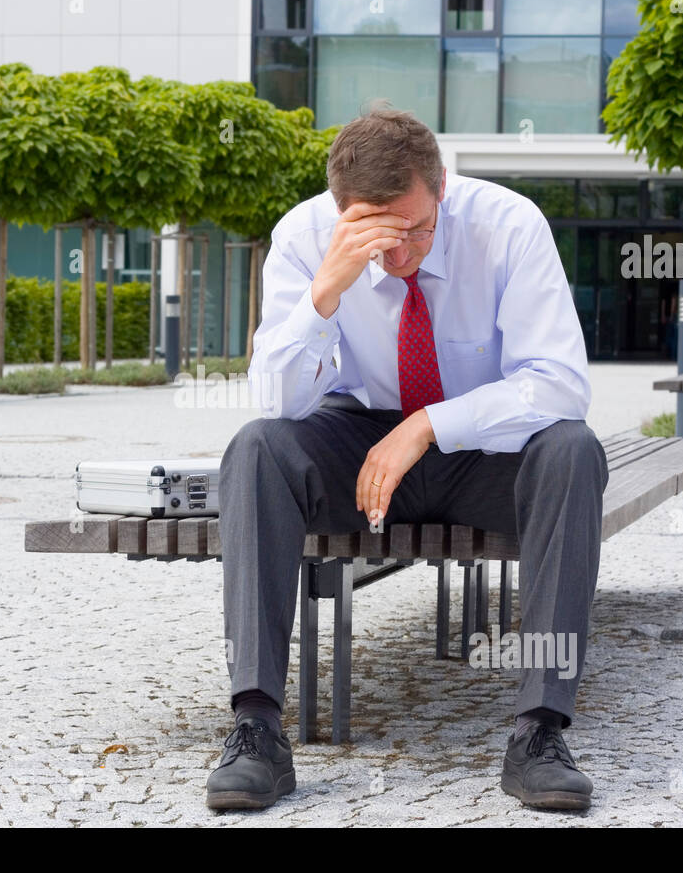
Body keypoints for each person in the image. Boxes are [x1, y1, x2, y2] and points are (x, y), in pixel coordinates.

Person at [206, 107, 609, 812]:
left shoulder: (509, 226)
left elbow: (560, 385)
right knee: (255, 451)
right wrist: (323, 294)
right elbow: (275, 399)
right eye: (378, 235)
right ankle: (256, 727)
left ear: (442, 188)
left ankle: (541, 731)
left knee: (573, 452)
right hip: (356, 445)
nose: (399, 256)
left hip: (480, 446)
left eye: (416, 230)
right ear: (342, 212)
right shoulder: (304, 238)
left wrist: (429, 423)